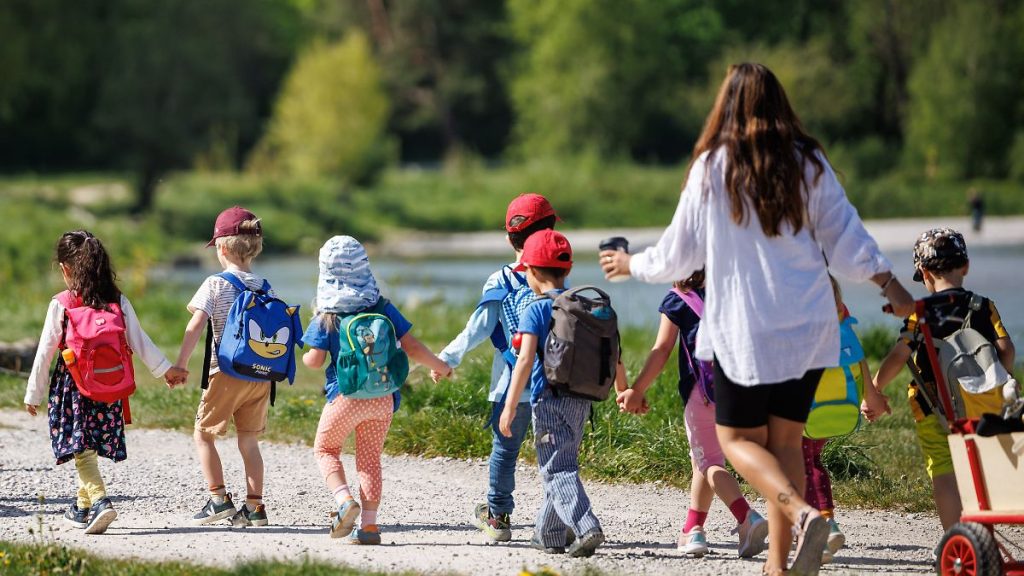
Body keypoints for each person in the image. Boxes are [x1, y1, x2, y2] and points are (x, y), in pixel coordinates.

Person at [600, 63, 913, 576]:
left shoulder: (714, 166)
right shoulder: (808, 161)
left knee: (737, 442)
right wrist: (889, 284)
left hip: (746, 329)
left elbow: (678, 257)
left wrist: (631, 264)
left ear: (726, 106)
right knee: (786, 442)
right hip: (811, 326)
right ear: (779, 104)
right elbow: (846, 237)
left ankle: (802, 512)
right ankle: (776, 566)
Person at [23, 230, 187, 534]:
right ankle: (81, 507)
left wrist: (33, 393)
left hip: (73, 386)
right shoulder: (117, 301)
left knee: (80, 447)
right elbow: (140, 341)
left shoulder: (62, 304)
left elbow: (45, 351)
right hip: (109, 388)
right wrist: (166, 370)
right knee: (86, 447)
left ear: (65, 268)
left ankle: (100, 502)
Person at [304, 235, 453, 545]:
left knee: (326, 450)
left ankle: (344, 502)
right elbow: (411, 346)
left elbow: (315, 361)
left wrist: (305, 354)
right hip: (383, 398)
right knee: (369, 462)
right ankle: (370, 528)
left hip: (345, 396)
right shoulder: (382, 306)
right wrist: (440, 366)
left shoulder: (326, 315)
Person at [866, 228, 1015, 532]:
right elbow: (1006, 350)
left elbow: (898, 356)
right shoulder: (982, 306)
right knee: (980, 464)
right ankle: (983, 530)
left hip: (932, 407)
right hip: (980, 405)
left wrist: (876, 390)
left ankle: (955, 536)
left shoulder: (920, 313)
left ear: (924, 273)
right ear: (965, 267)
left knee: (944, 469)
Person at [432, 193, 559, 542]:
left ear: (509, 238)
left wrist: (446, 358)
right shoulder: (559, 277)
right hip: (558, 386)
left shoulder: (500, 281)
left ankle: (498, 517)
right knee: (555, 454)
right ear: (551, 230)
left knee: (504, 452)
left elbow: (478, 327)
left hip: (509, 386)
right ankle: (558, 519)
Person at [618, 269, 768, 558]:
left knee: (709, 463)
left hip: (703, 394)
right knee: (704, 460)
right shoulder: (733, 293)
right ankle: (693, 530)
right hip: (741, 391)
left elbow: (662, 349)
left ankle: (746, 517)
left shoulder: (678, 300)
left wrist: (636, 390)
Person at [500, 230, 626, 558]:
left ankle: (586, 526)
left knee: (556, 469)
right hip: (581, 400)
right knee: (562, 461)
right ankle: (550, 533)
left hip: (549, 400)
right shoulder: (580, 305)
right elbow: (615, 353)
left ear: (533, 273)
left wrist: (510, 405)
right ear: (566, 271)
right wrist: (622, 387)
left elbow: (525, 360)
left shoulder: (537, 309)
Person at [172, 206, 278, 527]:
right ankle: (255, 508)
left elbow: (195, 325)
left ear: (220, 247)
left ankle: (218, 499)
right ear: (255, 248)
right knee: (249, 440)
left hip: (226, 373)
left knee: (203, 435)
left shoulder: (215, 284)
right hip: (262, 376)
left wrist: (180, 363)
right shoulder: (265, 286)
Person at [803, 276, 883, 564]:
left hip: (804, 411)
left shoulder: (799, 321)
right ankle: (826, 519)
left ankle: (820, 529)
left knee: (798, 466)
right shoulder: (841, 318)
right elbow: (859, 357)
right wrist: (871, 396)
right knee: (813, 463)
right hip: (836, 408)